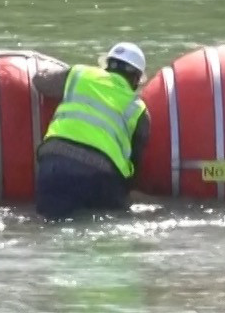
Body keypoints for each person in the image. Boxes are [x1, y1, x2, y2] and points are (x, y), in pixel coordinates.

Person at [31, 42, 151, 221]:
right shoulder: (138, 110)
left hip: (55, 163)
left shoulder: (80, 74)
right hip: (101, 174)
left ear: (107, 65)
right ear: (136, 79)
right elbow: (135, 166)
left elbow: (40, 81)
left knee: (50, 223)